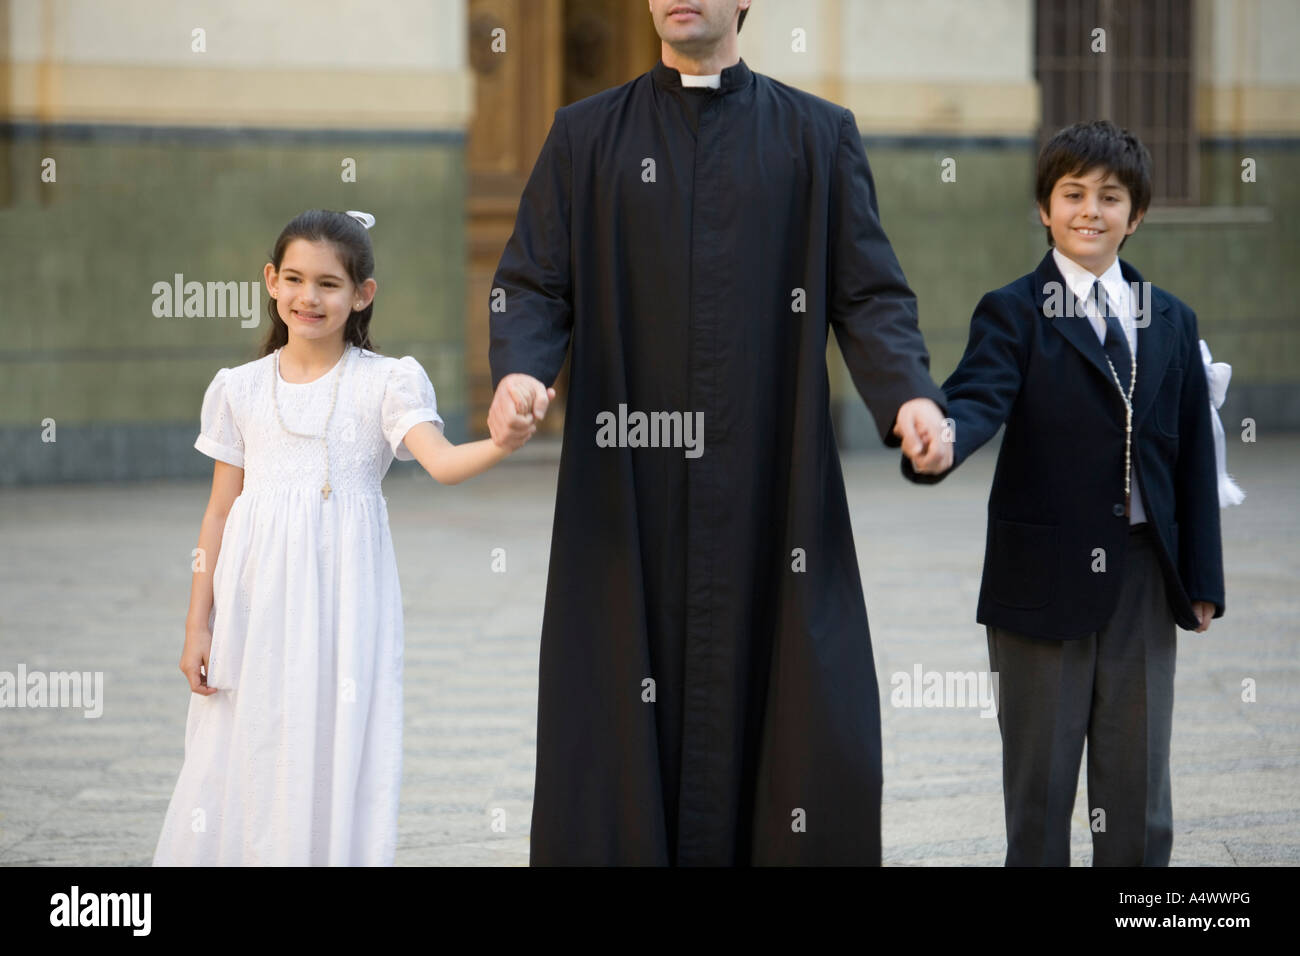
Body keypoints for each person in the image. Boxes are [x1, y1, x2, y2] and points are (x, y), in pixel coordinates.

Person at [487, 0, 951, 865]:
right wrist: (522, 367)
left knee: (799, 704)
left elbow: (870, 294)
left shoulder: (818, 137)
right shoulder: (583, 136)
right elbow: (534, 284)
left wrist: (908, 397)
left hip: (771, 482)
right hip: (627, 488)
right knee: (617, 697)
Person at [154, 209, 524, 865]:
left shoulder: (385, 383)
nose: (309, 296)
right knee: (247, 735)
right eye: (294, 278)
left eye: (328, 283)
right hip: (252, 600)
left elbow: (438, 462)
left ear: (362, 295)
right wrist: (197, 626)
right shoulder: (238, 389)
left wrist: (499, 443)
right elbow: (217, 513)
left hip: (345, 602)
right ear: (270, 282)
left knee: (332, 734)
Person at [902, 121, 1226, 865]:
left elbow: (1192, 457)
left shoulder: (1171, 319)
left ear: (1135, 215)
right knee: (1041, 792)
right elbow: (979, 395)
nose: (1091, 210)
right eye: (1072, 193)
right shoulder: (1013, 310)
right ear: (1044, 209)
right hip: (1040, 581)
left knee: (1139, 796)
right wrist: (941, 440)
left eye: (1110, 197)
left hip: (1144, 579)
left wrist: (1201, 579)